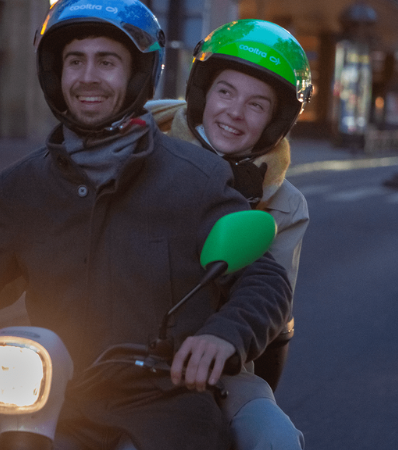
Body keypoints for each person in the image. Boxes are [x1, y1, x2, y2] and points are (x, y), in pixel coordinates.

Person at [0, 1, 291, 449]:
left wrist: (221, 335)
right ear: (57, 74)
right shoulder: (24, 185)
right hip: (52, 398)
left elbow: (265, 279)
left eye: (106, 62)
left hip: (165, 402)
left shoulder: (197, 178)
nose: (88, 76)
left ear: (136, 75)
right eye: (75, 61)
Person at [146, 19, 312, 450]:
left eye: (257, 105)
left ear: (276, 120)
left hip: (215, 362)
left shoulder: (284, 203)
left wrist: (224, 334)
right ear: (202, 93)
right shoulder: (138, 148)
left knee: (274, 440)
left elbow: (270, 302)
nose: (235, 113)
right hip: (109, 345)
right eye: (225, 92)